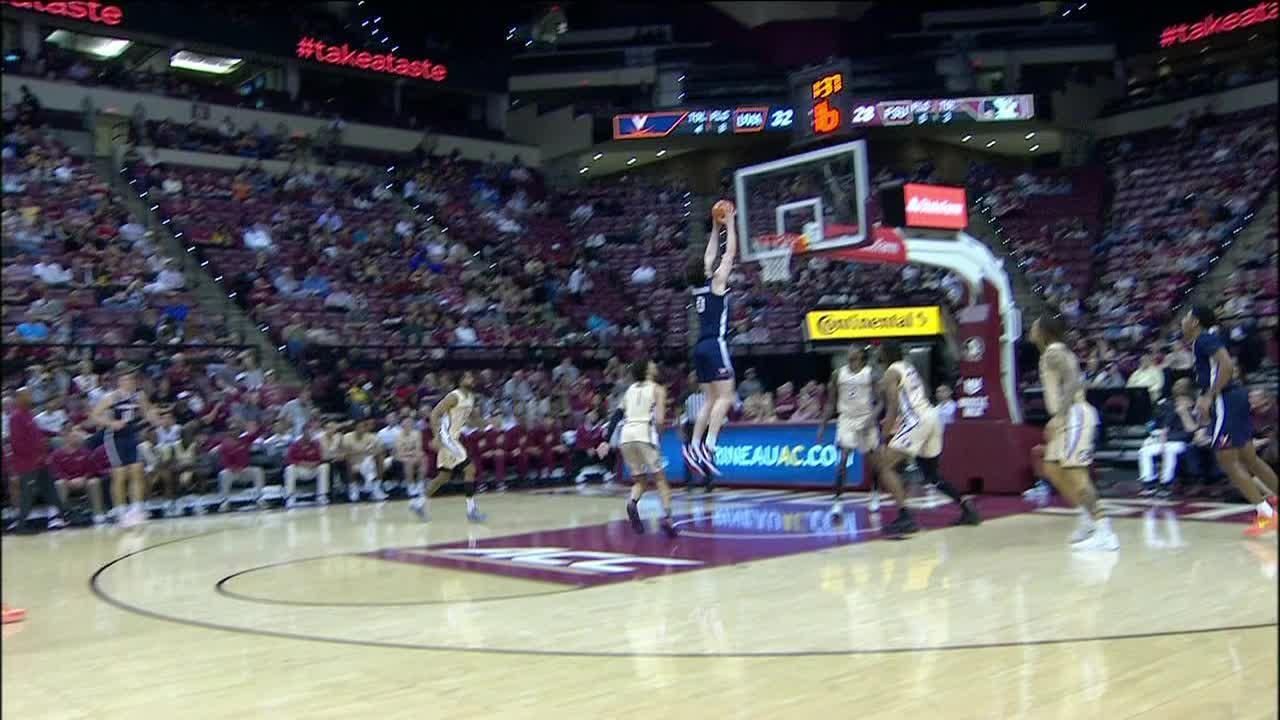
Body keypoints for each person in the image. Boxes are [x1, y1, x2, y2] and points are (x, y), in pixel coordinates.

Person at [1181, 305, 1278, 537]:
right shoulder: (1202, 341)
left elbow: (1227, 365)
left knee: (1226, 460)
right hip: (1232, 398)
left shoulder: (1204, 339)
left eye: (1185, 316)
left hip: (1225, 400)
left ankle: (1267, 514)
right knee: (1248, 458)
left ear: (1194, 321)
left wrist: (1208, 397)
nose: (1182, 321)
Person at [1031, 314, 1117, 551]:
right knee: (1051, 468)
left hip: (1074, 414)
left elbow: (1073, 380)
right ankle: (1087, 518)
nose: (1032, 329)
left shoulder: (1054, 351)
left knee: (1076, 475)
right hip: (1065, 415)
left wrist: (1059, 416)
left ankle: (1105, 531)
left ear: (1044, 331)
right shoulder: (1051, 353)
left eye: (1035, 325)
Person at [876, 341, 981, 535]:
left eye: (879, 351)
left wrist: (884, 440)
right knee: (932, 475)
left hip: (917, 421)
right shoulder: (908, 367)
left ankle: (905, 517)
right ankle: (966, 508)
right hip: (931, 416)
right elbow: (920, 393)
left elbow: (892, 409)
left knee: (884, 466)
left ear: (884, 354)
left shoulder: (891, 373)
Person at [685, 200, 738, 479]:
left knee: (709, 399)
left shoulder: (697, 285)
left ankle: (694, 445)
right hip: (715, 343)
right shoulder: (717, 282)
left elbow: (710, 253)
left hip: (699, 346)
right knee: (726, 397)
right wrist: (729, 222)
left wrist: (715, 228)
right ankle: (710, 444)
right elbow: (728, 253)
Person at [91, 363, 162, 528]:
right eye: (124, 380)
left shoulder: (139, 396)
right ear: (119, 382)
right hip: (114, 437)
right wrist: (111, 423)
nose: (128, 382)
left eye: (130, 380)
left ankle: (136, 509)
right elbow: (94, 415)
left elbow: (147, 412)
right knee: (120, 474)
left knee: (137, 470)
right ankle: (120, 511)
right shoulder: (112, 397)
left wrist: (155, 418)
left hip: (131, 435)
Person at [411, 371, 485, 522]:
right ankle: (471, 511)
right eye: (469, 377)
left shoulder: (471, 397)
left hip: (454, 437)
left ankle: (418, 503)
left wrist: (483, 425)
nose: (472, 379)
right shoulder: (453, 396)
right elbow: (434, 414)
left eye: (472, 377)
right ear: (461, 380)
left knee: (443, 477)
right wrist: (436, 437)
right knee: (470, 469)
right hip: (447, 438)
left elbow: (469, 418)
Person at [817, 344, 880, 521]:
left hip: (865, 417)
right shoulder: (838, 374)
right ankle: (838, 501)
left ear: (861, 355)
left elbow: (881, 402)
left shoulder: (870, 374)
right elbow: (830, 402)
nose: (850, 352)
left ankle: (874, 492)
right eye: (849, 350)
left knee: (872, 462)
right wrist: (822, 425)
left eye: (854, 350)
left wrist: (872, 417)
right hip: (846, 419)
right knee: (843, 459)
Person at [618, 359, 677, 537]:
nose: (655, 365)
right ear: (647, 370)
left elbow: (617, 414)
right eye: (651, 364)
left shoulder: (630, 389)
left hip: (626, 435)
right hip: (644, 433)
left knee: (640, 481)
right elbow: (659, 420)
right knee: (660, 479)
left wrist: (607, 438)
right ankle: (668, 518)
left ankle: (632, 502)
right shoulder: (658, 389)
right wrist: (658, 434)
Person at [5, 387, 71, 532]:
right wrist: (35, 456)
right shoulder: (15, 417)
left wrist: (54, 433)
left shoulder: (29, 414)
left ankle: (66, 517)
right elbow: (17, 444)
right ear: (19, 398)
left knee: (51, 490)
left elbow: (36, 432)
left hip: (40, 462)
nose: (30, 397)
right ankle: (21, 527)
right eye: (27, 395)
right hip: (28, 465)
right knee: (27, 495)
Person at [1138, 378, 1198, 497]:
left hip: (1182, 440)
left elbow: (1191, 430)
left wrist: (1183, 411)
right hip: (1164, 439)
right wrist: (1159, 435)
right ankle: (1149, 482)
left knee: (1169, 450)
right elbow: (1161, 425)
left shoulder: (1194, 405)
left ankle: (1166, 483)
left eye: (1181, 385)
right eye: (1176, 384)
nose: (1177, 388)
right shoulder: (1168, 404)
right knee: (1144, 451)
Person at [283, 424, 330, 508]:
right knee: (289, 469)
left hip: (313, 469)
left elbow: (321, 458)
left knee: (324, 467)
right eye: (308, 431)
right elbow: (288, 460)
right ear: (303, 432)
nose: (310, 433)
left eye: (312, 432)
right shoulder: (295, 445)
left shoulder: (316, 444)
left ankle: (322, 496)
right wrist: (301, 463)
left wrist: (315, 463)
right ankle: (290, 497)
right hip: (300, 470)